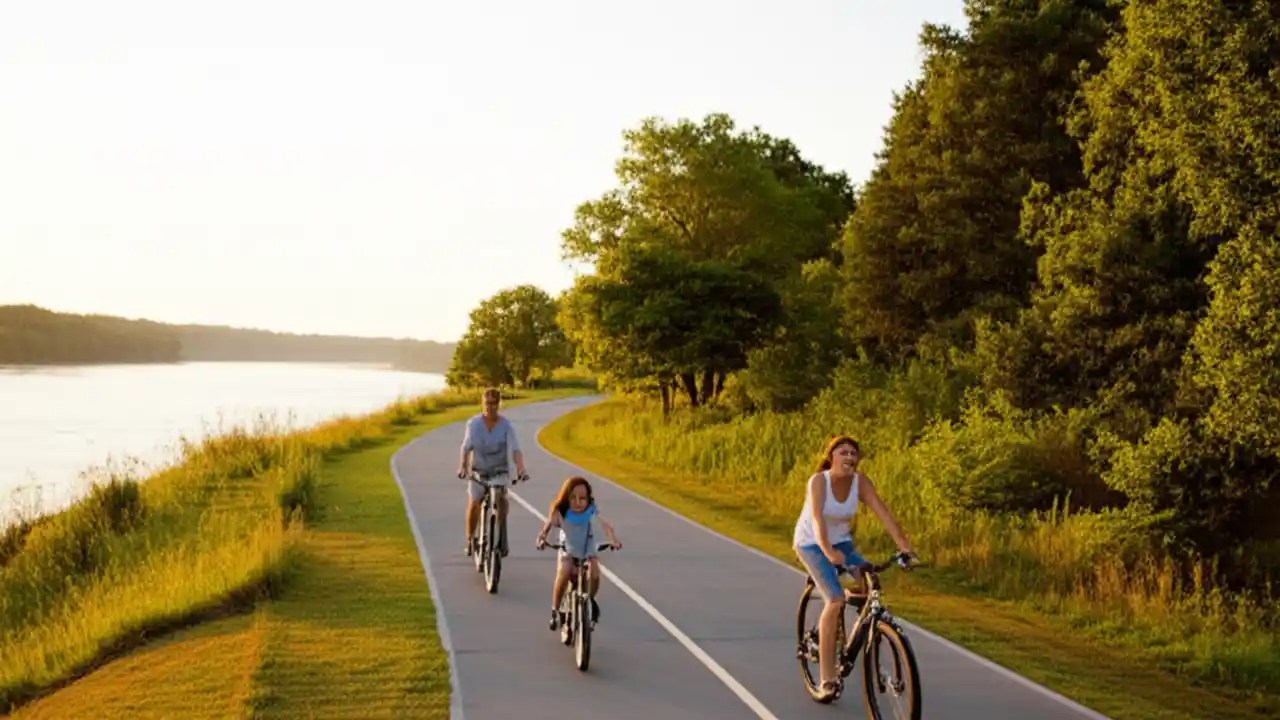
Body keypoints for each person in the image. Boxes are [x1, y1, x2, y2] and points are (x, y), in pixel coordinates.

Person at [793, 435, 916, 701]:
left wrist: (905, 548)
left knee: (869, 580)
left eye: (854, 453)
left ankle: (859, 631)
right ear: (831, 457)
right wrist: (827, 551)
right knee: (835, 600)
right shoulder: (819, 482)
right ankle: (827, 679)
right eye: (843, 452)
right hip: (812, 543)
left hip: (842, 543)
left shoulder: (860, 483)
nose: (849, 457)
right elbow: (816, 519)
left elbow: (885, 514)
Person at [536, 476, 621, 631]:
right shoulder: (562, 512)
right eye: (573, 498)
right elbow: (548, 524)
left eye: (582, 498)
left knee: (595, 571)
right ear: (566, 498)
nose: (578, 502)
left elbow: (606, 525)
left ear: (588, 499)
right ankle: (555, 609)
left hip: (586, 549)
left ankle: (590, 599)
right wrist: (542, 537)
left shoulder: (590, 511)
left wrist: (613, 540)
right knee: (565, 571)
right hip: (568, 549)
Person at [456, 388, 527, 557]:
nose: (491, 407)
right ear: (482, 404)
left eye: (494, 404)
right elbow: (466, 447)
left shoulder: (506, 426)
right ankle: (471, 538)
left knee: (501, 499)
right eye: (487, 404)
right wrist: (463, 466)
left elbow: (516, 449)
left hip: (499, 471)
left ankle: (501, 533)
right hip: (479, 471)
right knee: (474, 502)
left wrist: (521, 468)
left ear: (499, 405)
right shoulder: (473, 424)